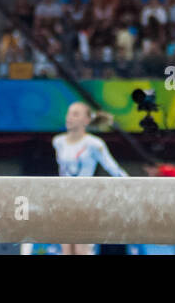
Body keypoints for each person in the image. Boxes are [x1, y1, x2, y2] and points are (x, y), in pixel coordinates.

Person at [52, 101, 128, 255]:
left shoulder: (94, 144)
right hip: (64, 200)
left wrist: (135, 185)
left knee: (81, 249)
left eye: (75, 114)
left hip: (85, 201)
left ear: (86, 120)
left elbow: (112, 168)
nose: (69, 117)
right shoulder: (58, 142)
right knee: (66, 250)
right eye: (69, 113)